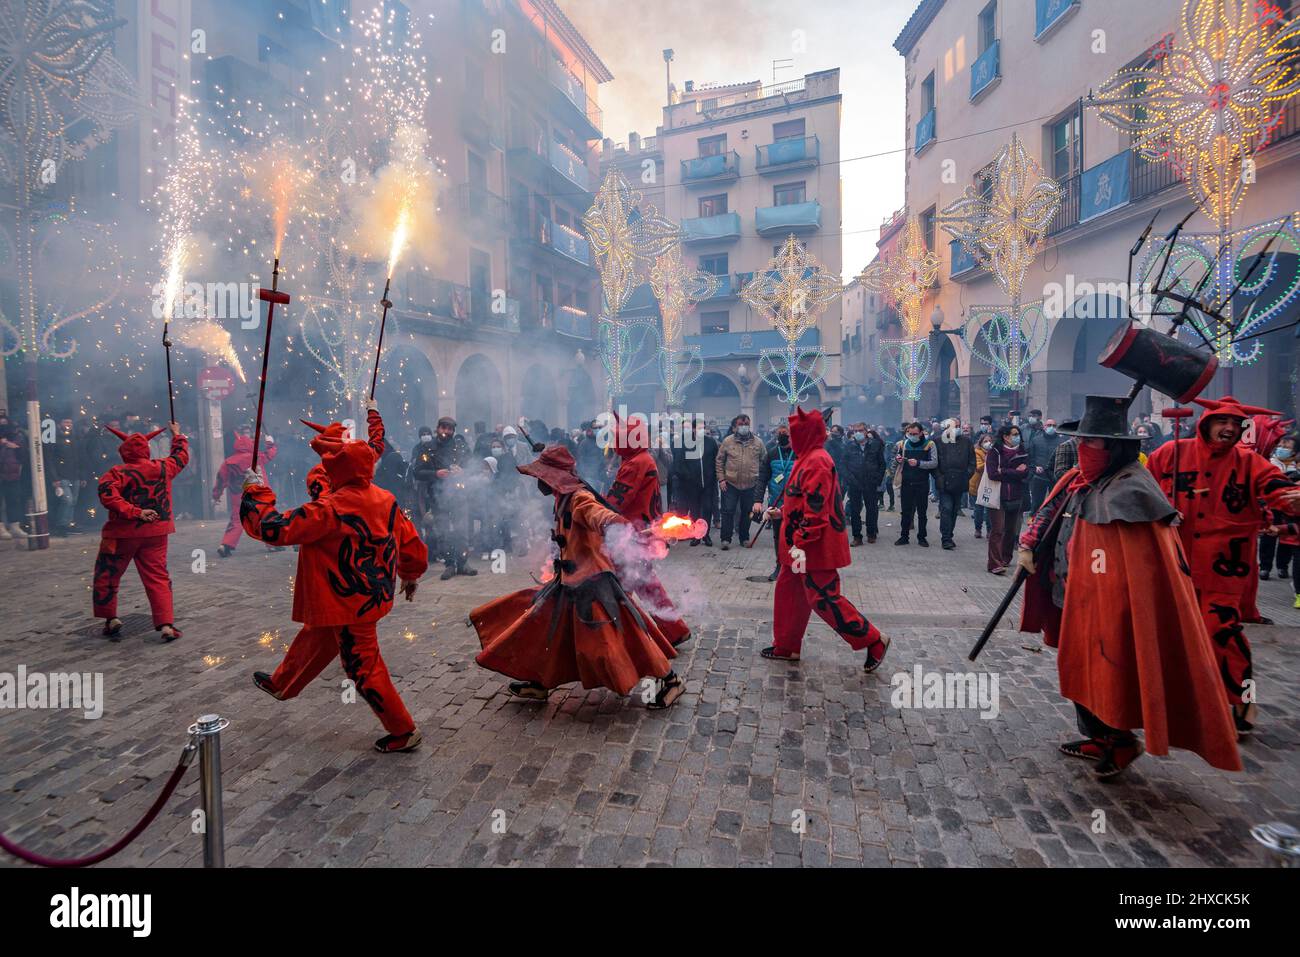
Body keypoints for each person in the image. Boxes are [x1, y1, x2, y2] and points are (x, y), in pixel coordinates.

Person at [1017, 395, 1241, 778]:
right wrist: (1028, 544)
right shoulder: (1080, 479)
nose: (1083, 448)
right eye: (1082, 440)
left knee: (1110, 672)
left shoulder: (1133, 491)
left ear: (1116, 446)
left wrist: (1115, 600)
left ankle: (1119, 740)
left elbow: (1142, 568)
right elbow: (1048, 512)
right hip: (1072, 594)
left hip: (1112, 608)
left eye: (1093, 441)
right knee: (1077, 669)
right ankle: (1097, 736)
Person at [244, 406, 428, 753]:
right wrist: (412, 573)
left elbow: (273, 528)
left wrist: (256, 493)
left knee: (363, 668)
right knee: (318, 634)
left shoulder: (329, 508)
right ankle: (284, 683)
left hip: (349, 604)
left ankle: (403, 730)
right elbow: (410, 540)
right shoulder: (385, 499)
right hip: (357, 597)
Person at [470, 445, 684, 708]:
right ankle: (539, 684)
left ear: (554, 477)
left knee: (622, 638)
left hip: (593, 583)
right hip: (567, 582)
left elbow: (598, 514)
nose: (539, 481)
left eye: (542, 475)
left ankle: (671, 680)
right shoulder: (562, 496)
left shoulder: (579, 499)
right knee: (545, 630)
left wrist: (615, 523)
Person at [1146, 396, 1300, 736]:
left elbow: (1280, 492)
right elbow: (1140, 491)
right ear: (1205, 423)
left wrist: (1295, 500)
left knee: (1224, 635)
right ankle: (1183, 703)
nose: (1229, 428)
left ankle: (1245, 699)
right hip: (1173, 565)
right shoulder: (1170, 454)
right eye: (1222, 422)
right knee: (1171, 636)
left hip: (1225, 569)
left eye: (1237, 424)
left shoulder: (1251, 464)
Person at [758, 407, 890, 671]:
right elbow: (801, 501)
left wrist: (799, 541)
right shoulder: (807, 457)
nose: (790, 438)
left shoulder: (817, 461)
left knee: (824, 599)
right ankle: (786, 645)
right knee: (789, 592)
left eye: (795, 433)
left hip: (811, 549)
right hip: (798, 548)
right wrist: (782, 512)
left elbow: (817, 514)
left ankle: (873, 639)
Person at [92, 422, 188, 641]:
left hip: (120, 534)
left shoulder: (116, 473)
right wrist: (178, 435)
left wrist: (133, 511)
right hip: (156, 533)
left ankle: (110, 618)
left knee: (107, 574)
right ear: (147, 450)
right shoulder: (163, 467)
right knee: (158, 577)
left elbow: (108, 496)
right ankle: (166, 625)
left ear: (124, 452)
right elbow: (181, 457)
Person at [604, 412, 691, 646]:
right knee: (642, 583)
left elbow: (617, 501)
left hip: (634, 533)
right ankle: (673, 630)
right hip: (641, 531)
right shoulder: (640, 458)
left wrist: (596, 507)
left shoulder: (636, 463)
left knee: (625, 584)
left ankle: (623, 634)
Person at [212, 429, 277, 557]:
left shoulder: (228, 462)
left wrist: (216, 495)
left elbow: (221, 480)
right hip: (259, 494)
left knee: (236, 520)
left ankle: (225, 545)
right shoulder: (257, 457)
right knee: (266, 517)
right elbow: (271, 454)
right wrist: (270, 443)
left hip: (239, 495)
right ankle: (272, 545)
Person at [426, 416, 476, 580]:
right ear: (438, 428)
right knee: (443, 533)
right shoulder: (428, 447)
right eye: (444, 428)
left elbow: (472, 467)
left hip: (459, 496)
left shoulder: (460, 446)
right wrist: (435, 473)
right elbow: (417, 471)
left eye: (450, 429)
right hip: (438, 497)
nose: (446, 431)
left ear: (453, 431)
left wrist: (463, 471)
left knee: (462, 530)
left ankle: (463, 563)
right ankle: (449, 564)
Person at [752, 423, 796, 581]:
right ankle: (779, 565)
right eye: (780, 433)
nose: (782, 436)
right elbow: (762, 478)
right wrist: (758, 500)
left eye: (786, 433)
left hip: (795, 505)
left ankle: (795, 567)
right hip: (776, 502)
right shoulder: (771, 453)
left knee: (794, 537)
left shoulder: (799, 453)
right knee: (778, 537)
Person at [983, 423, 1029, 574]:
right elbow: (992, 474)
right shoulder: (995, 452)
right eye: (1014, 434)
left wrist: (1004, 471)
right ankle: (994, 564)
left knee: (1011, 530)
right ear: (1005, 436)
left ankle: (1005, 558)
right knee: (997, 530)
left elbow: (1025, 473)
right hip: (997, 496)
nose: (1017, 437)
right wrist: (1014, 472)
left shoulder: (1022, 452)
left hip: (1016, 495)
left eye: (1018, 434)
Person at [715, 413, 764, 550]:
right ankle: (725, 539)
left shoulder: (758, 443)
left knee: (747, 512)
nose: (743, 427)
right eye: (740, 425)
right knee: (727, 511)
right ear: (735, 427)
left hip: (750, 484)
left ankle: (744, 538)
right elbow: (719, 461)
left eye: (746, 424)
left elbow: (764, 462)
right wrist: (721, 479)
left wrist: (760, 481)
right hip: (730, 483)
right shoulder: (728, 441)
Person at [671, 417, 718, 547]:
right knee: (695, 510)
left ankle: (706, 534)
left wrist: (714, 477)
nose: (701, 430)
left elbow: (716, 461)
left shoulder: (711, 443)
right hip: (691, 484)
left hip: (708, 483)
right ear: (692, 429)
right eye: (698, 428)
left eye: (703, 428)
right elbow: (679, 463)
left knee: (707, 508)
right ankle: (696, 536)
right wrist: (688, 477)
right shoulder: (686, 443)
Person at [1260, 433, 1300, 581]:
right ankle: (1265, 567)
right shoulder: (1268, 464)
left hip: (1290, 507)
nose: (1282, 448)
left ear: (1295, 452)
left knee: (1287, 538)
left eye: (1286, 446)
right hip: (1271, 505)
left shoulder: (1297, 466)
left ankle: (1282, 566)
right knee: (1268, 536)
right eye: (1281, 445)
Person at [890, 421, 937, 546]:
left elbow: (934, 463)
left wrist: (918, 463)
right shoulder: (901, 444)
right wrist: (897, 460)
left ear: (921, 433)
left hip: (922, 483)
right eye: (910, 433)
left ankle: (922, 537)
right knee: (905, 511)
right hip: (906, 482)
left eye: (915, 433)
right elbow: (893, 464)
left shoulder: (929, 444)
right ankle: (904, 536)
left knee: (922, 512)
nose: (912, 436)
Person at [934, 417, 975, 550]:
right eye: (953, 426)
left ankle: (949, 534)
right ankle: (945, 538)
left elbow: (972, 462)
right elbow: (934, 464)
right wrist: (939, 477)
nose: (956, 428)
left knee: (954, 510)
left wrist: (966, 475)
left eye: (958, 426)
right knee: (946, 508)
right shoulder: (938, 442)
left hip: (960, 481)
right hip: (944, 481)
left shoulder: (966, 442)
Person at [842, 423, 885, 546]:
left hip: (870, 482)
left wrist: (877, 479)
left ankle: (871, 533)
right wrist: (849, 479)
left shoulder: (875, 445)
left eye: (860, 430)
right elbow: (843, 464)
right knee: (855, 510)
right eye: (855, 431)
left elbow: (881, 464)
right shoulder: (849, 445)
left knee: (872, 509)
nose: (858, 433)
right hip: (854, 482)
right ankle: (857, 537)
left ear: (866, 431)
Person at [970, 429, 993, 539]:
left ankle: (989, 530)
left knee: (989, 509)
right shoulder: (976, 452)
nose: (988, 443)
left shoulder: (994, 453)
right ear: (981, 442)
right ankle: (978, 529)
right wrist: (989, 461)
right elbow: (979, 467)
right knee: (978, 508)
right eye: (985, 441)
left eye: (990, 441)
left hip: (990, 484)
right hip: (978, 483)